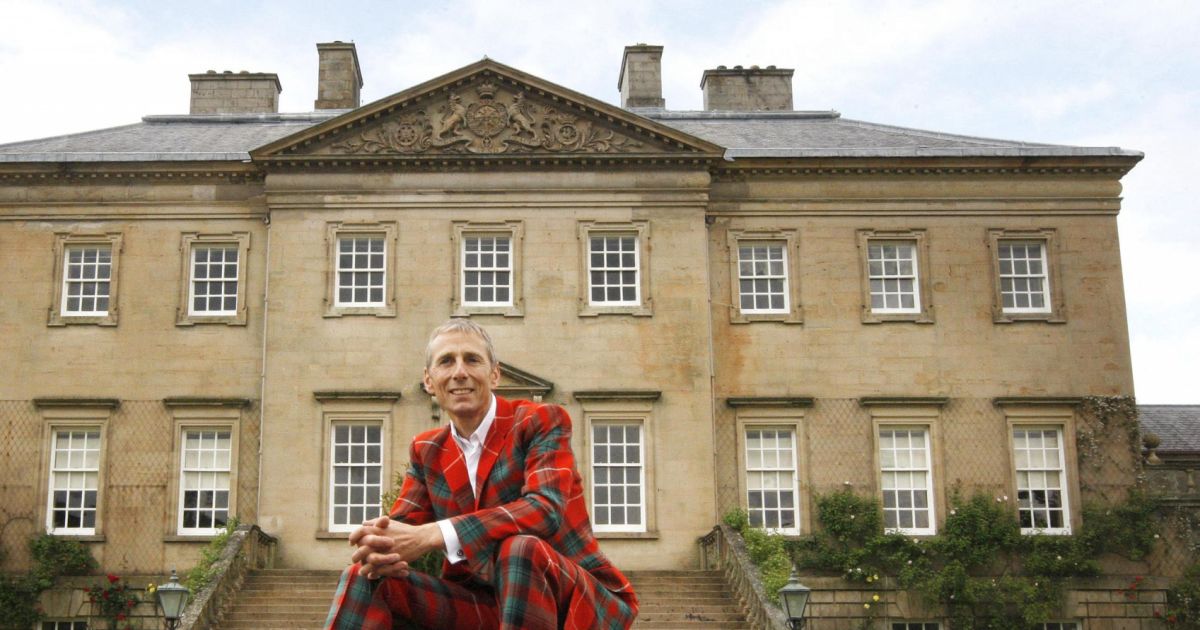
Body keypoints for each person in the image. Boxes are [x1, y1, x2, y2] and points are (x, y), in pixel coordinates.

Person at [325, 319, 638, 630]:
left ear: (495, 374)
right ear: (429, 381)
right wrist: (379, 544)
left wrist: (435, 534)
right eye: (446, 361)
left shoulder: (539, 421)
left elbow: (545, 510)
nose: (459, 372)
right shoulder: (427, 449)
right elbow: (405, 529)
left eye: (472, 359)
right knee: (365, 578)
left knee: (520, 549)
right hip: (483, 604)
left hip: (574, 602)